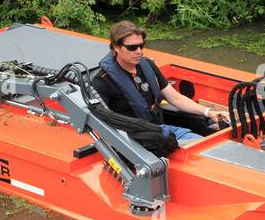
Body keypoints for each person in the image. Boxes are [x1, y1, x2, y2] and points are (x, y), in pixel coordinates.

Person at [91, 21, 229, 145]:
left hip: (163, 131)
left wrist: (209, 112)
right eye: (132, 47)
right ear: (116, 47)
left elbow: (175, 98)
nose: (139, 51)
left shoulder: (148, 66)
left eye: (141, 46)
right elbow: (104, 124)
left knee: (201, 145)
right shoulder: (102, 82)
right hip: (137, 140)